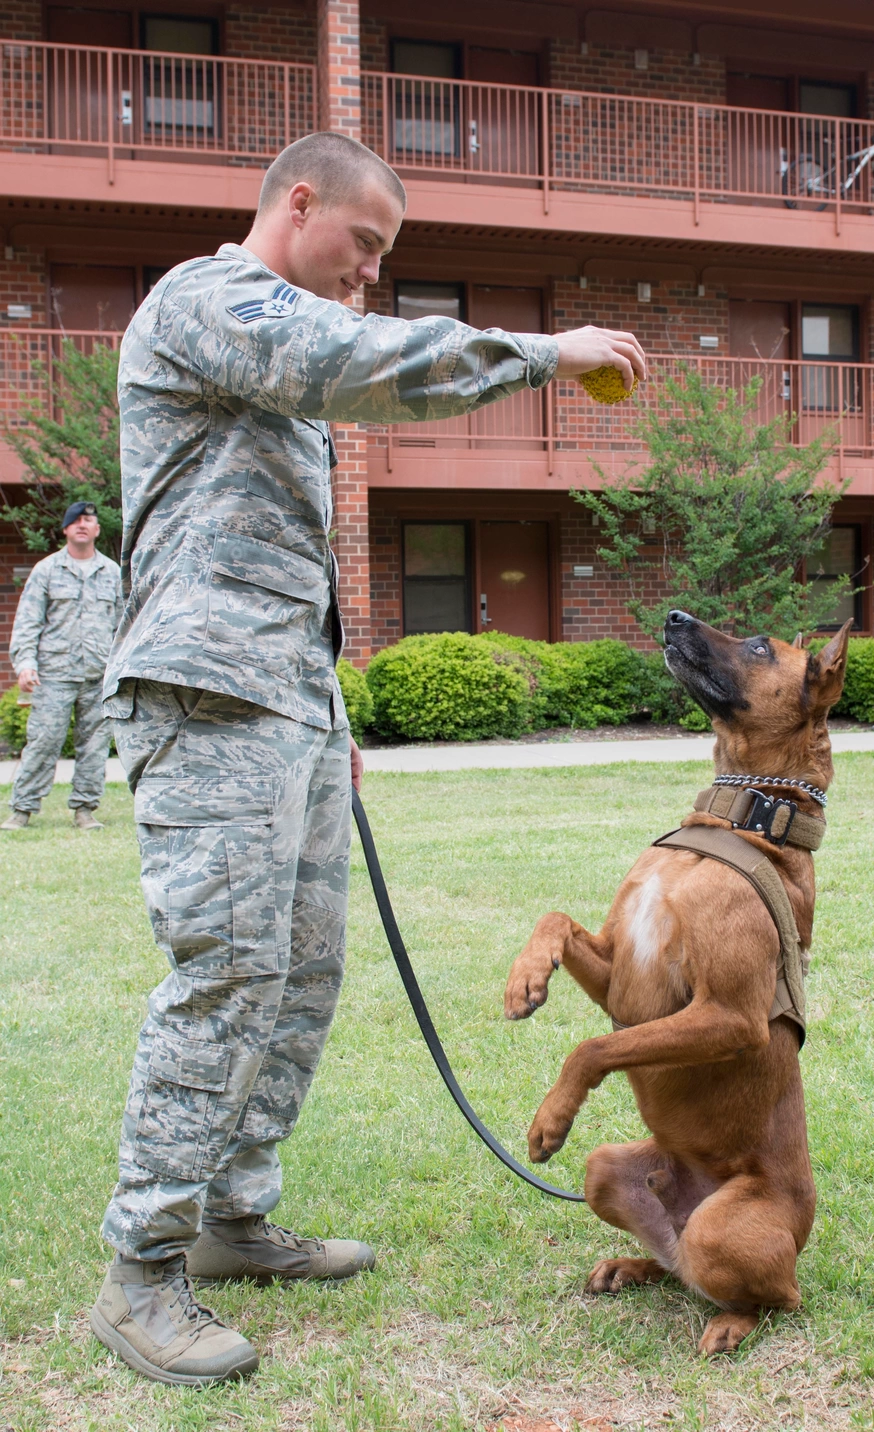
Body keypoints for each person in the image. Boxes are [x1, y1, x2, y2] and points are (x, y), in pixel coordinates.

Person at [89, 130, 646, 1388]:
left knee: (301, 978)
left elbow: (282, 553)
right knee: (226, 974)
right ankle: (141, 1269)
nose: (368, 279)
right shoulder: (208, 300)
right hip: (203, 692)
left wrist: (330, 721)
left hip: (283, 705)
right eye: (366, 247)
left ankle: (233, 1219)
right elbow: (356, 360)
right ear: (299, 203)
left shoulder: (275, 347)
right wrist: (540, 352)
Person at [3, 501, 121, 832]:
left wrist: (120, 669)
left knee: (95, 747)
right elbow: (28, 621)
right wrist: (25, 664)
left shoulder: (112, 572)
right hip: (53, 675)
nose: (82, 525)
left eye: (89, 520)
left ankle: (85, 810)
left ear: (97, 530)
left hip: (98, 674)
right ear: (66, 529)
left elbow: (123, 625)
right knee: (43, 741)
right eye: (76, 521)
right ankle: (22, 810)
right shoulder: (47, 570)